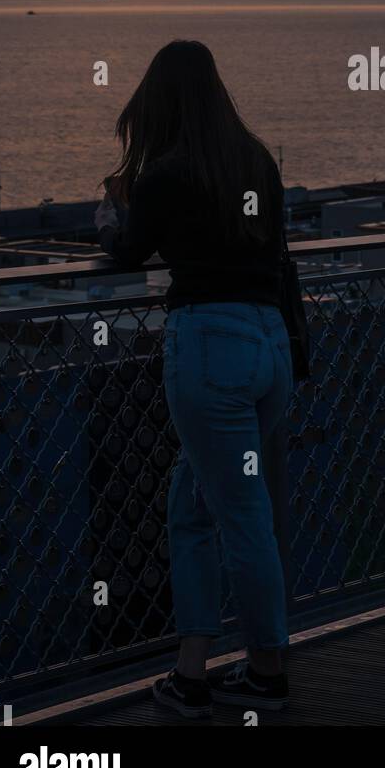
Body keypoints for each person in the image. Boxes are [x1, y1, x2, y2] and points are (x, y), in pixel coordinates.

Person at [94, 40, 292, 718]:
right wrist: (298, 359)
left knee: (240, 514)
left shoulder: (166, 175)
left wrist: (109, 219)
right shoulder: (256, 160)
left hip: (210, 347)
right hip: (270, 347)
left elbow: (130, 250)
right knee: (194, 505)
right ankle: (193, 667)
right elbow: (280, 259)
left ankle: (266, 669)